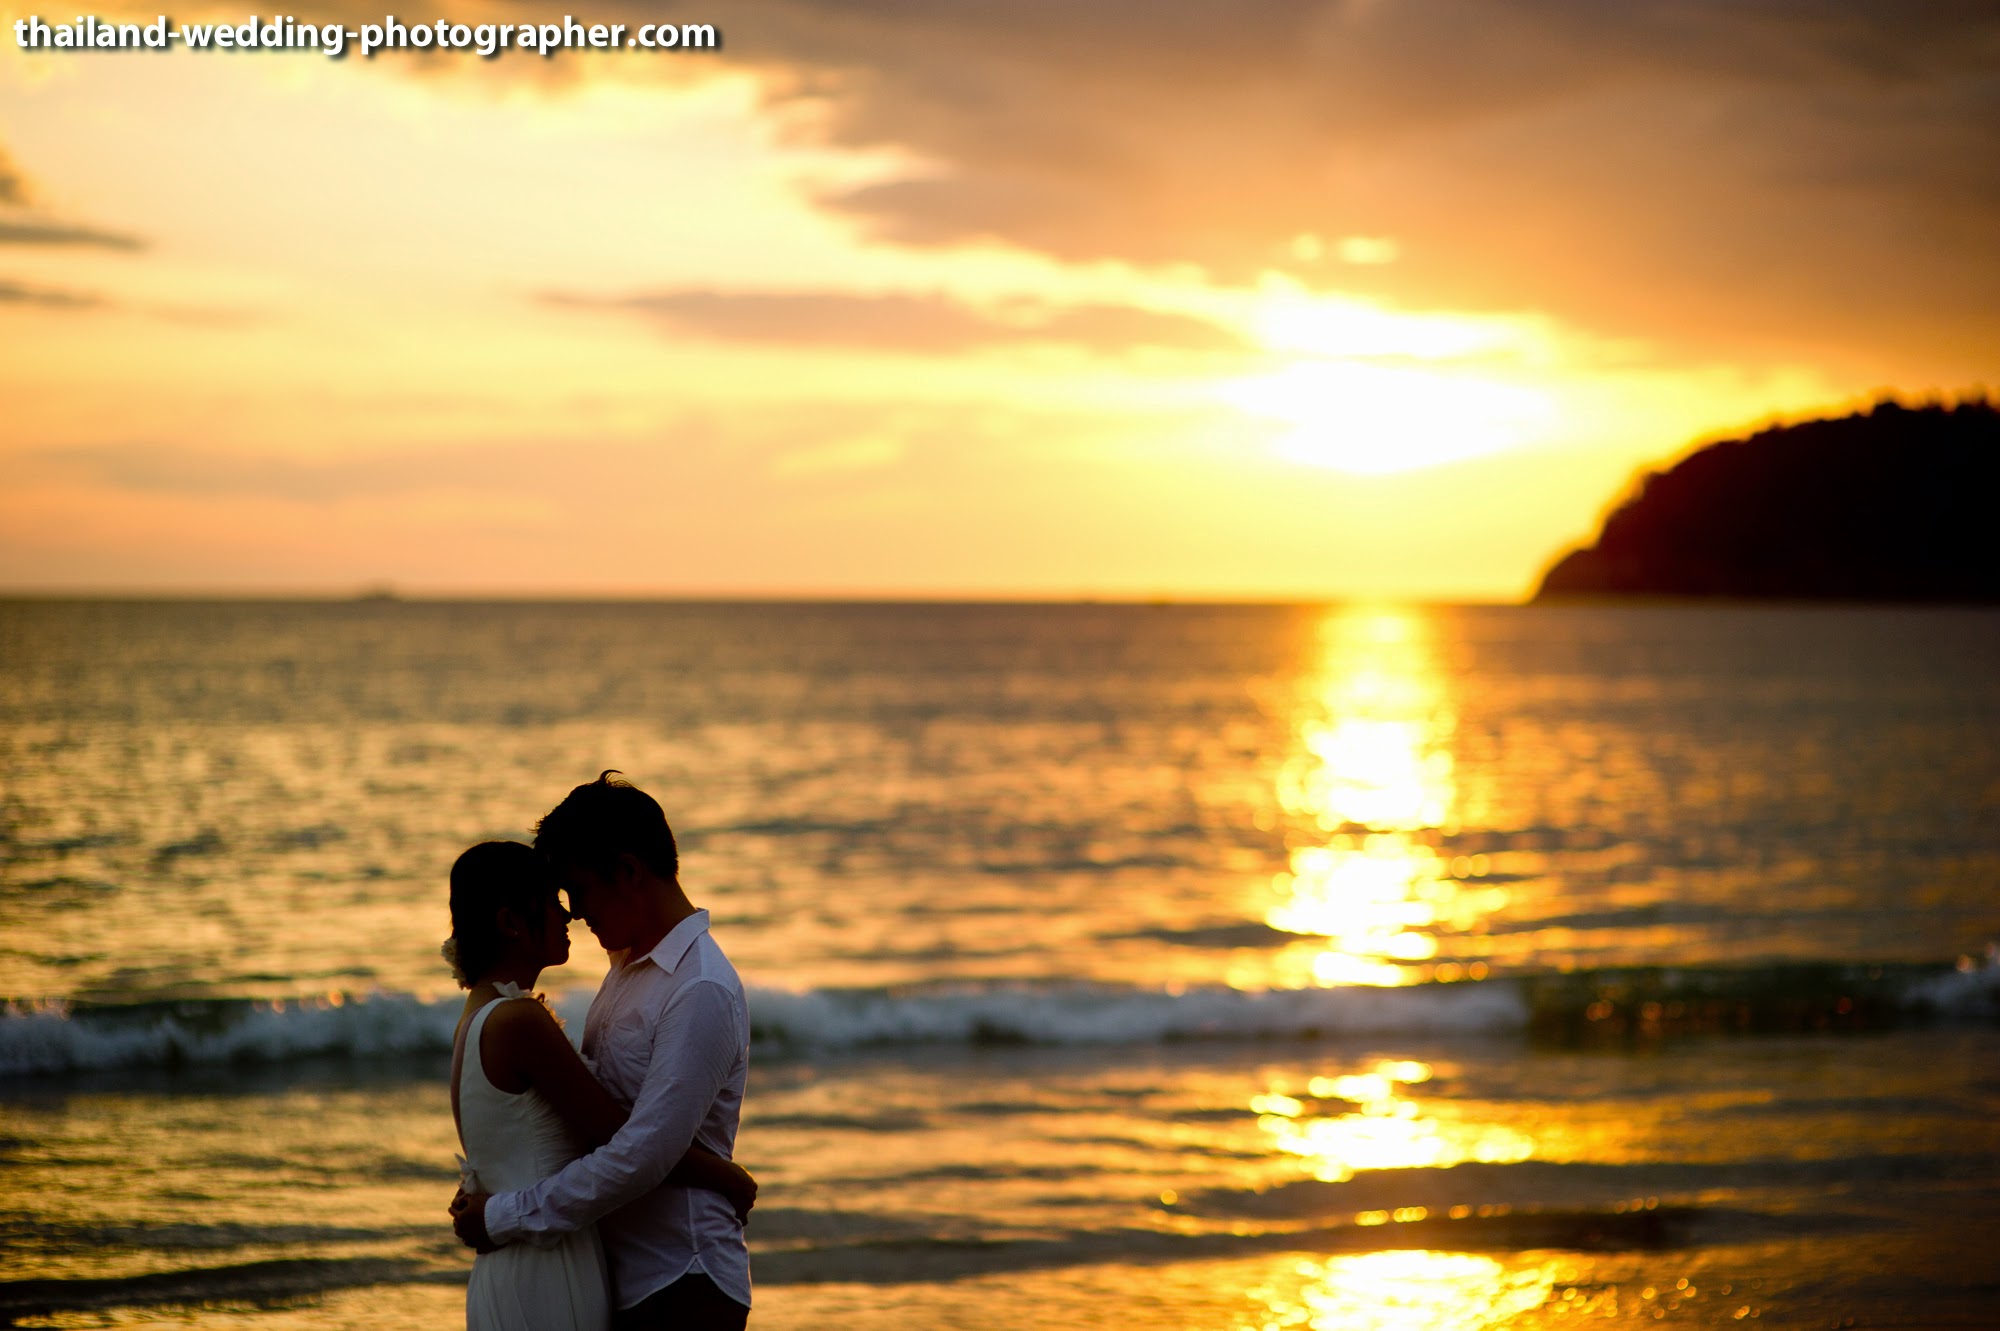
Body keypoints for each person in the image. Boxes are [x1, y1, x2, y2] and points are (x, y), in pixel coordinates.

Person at [452, 774, 755, 1331]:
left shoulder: (700, 988)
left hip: (681, 1277)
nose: (574, 912)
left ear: (628, 872)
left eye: (578, 889)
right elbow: (592, 1121)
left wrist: (504, 1214)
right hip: (620, 1279)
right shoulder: (626, 971)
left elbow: (643, 1154)